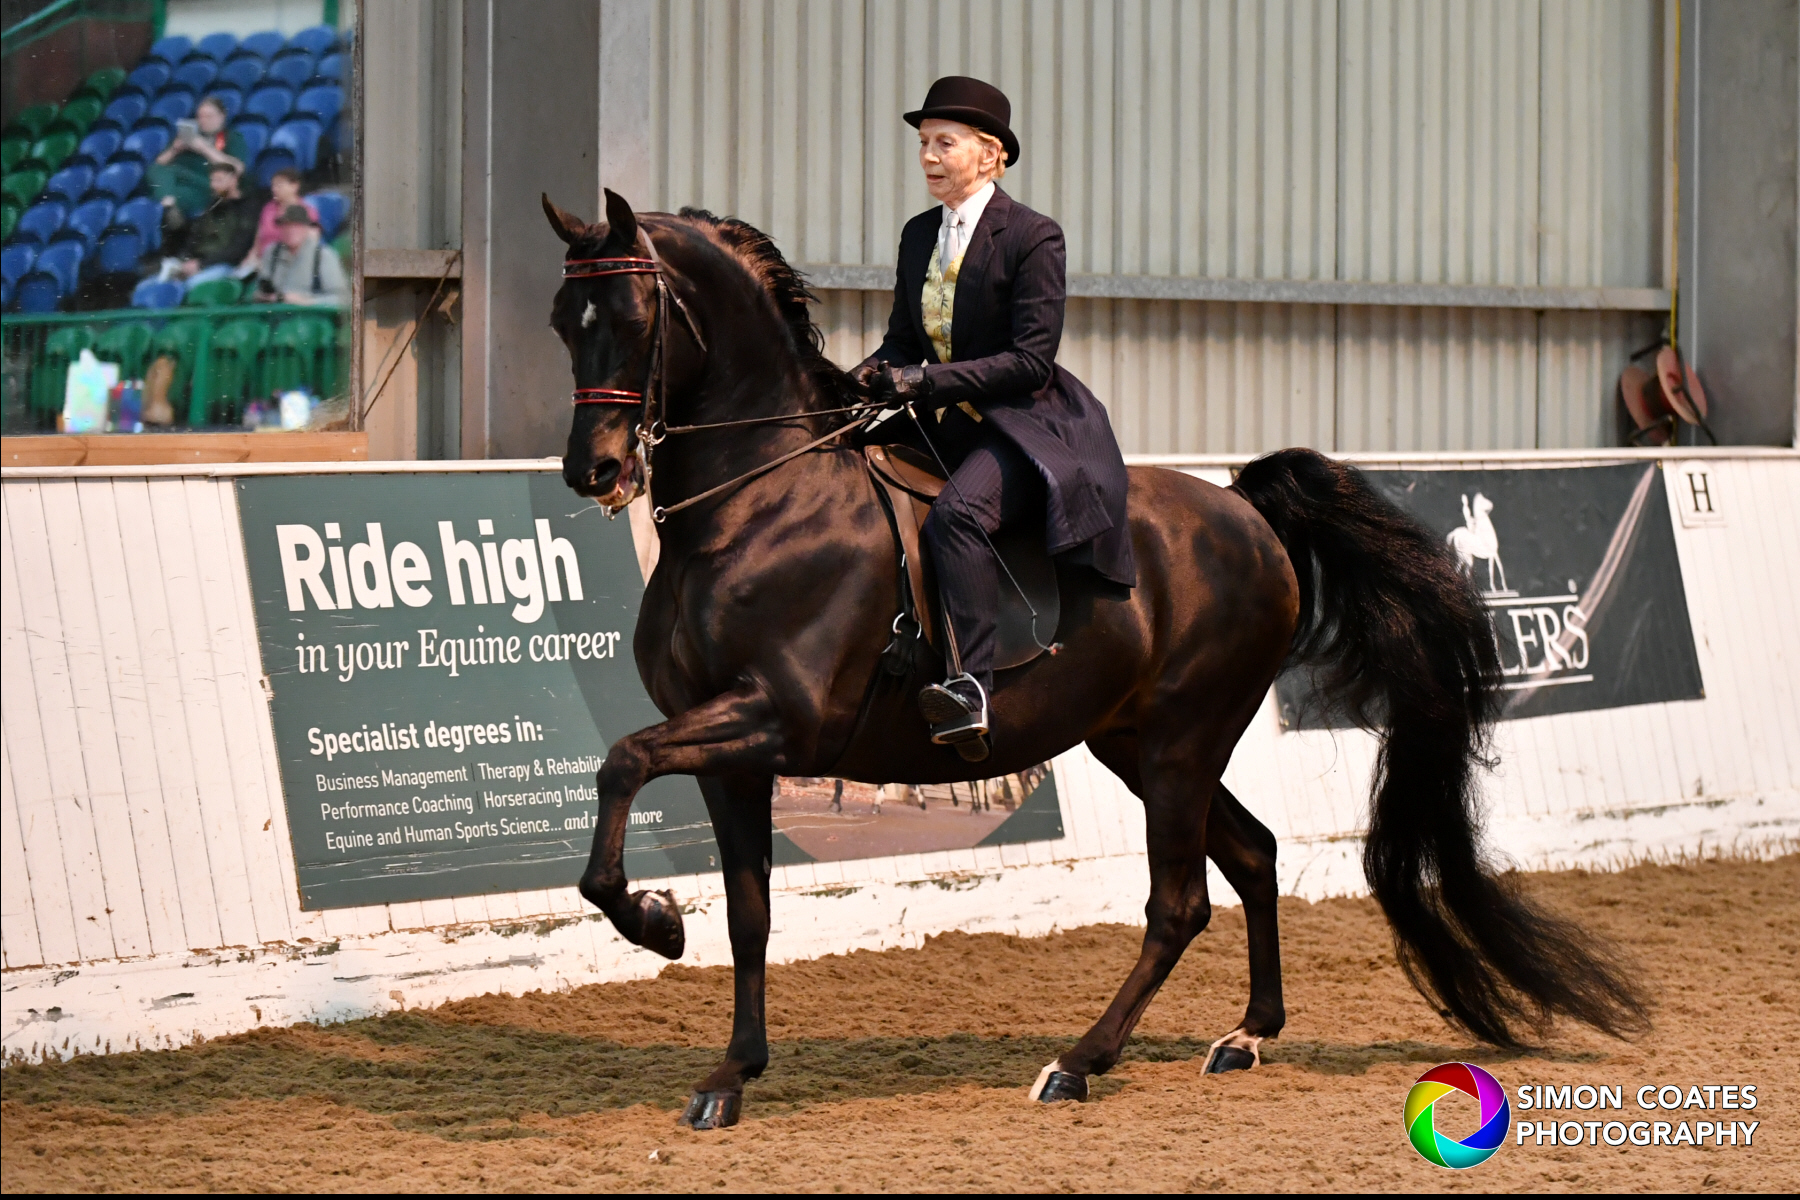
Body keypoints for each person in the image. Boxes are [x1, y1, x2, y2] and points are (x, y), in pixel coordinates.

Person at [856, 77, 1135, 752]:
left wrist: (923, 379)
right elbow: (902, 339)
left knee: (957, 516)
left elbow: (1031, 360)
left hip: (1017, 419)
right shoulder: (919, 234)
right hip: (937, 412)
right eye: (922, 143)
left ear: (989, 155)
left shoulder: (1034, 236)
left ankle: (969, 685)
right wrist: (865, 376)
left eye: (943, 143)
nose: (927, 155)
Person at [161, 159, 259, 288]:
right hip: (198, 263)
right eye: (212, 180)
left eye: (219, 180)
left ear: (234, 180)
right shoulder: (211, 207)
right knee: (155, 285)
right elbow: (194, 238)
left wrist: (202, 264)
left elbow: (237, 249)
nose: (214, 185)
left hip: (226, 265)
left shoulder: (246, 208)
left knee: (191, 286)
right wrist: (185, 262)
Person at [147, 95, 248, 218]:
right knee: (156, 173)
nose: (203, 121)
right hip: (179, 185)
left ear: (222, 117)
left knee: (160, 195)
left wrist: (204, 148)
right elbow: (159, 164)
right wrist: (175, 149)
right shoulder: (191, 134)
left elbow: (237, 169)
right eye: (200, 117)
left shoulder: (231, 137)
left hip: (206, 186)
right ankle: (169, 205)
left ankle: (168, 204)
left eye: (209, 117)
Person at [252, 203, 349, 307]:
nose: (291, 230)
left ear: (306, 228)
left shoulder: (323, 255)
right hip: (274, 314)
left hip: (310, 318)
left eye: (296, 226)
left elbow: (343, 299)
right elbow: (257, 290)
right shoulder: (271, 252)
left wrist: (307, 301)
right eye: (286, 225)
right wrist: (265, 296)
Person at [245, 168, 319, 266]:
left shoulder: (307, 211)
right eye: (273, 185)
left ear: (294, 186)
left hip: (289, 263)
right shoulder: (268, 208)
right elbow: (258, 239)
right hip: (261, 262)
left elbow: (312, 243)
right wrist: (251, 259)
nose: (274, 189)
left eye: (279, 185)